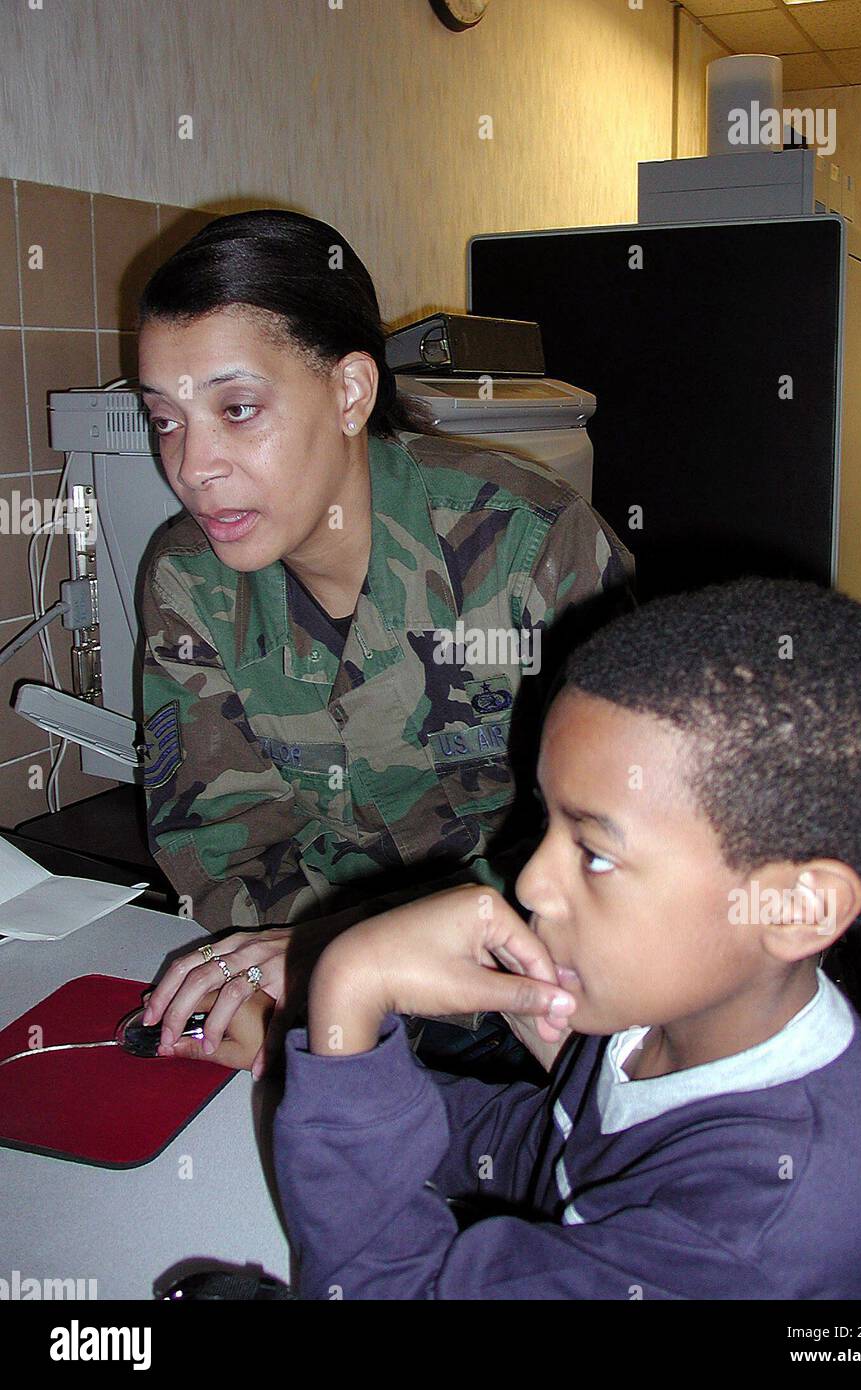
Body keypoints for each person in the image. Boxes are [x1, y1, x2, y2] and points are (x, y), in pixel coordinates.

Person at [272, 576, 861, 1299]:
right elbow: (544, 1147)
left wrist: (348, 989)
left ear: (794, 907)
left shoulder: (751, 1239)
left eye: (593, 851)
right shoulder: (662, 1025)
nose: (528, 883)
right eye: (546, 824)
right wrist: (338, 1090)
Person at [136, 208, 634, 1073]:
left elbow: (629, 847)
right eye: (166, 420)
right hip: (329, 997)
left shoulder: (527, 546)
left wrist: (353, 953)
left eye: (238, 409)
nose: (192, 466)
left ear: (350, 393)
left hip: (548, 988)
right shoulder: (190, 579)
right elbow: (221, 841)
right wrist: (307, 978)